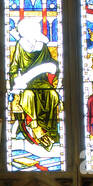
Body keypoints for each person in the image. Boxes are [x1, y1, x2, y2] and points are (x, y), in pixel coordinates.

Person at [6, 17, 61, 152]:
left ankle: (50, 131)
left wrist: (53, 69)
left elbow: (52, 64)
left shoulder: (42, 46)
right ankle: (36, 128)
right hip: (26, 85)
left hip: (42, 82)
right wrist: (16, 80)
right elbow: (13, 68)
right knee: (29, 96)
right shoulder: (20, 45)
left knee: (53, 95)